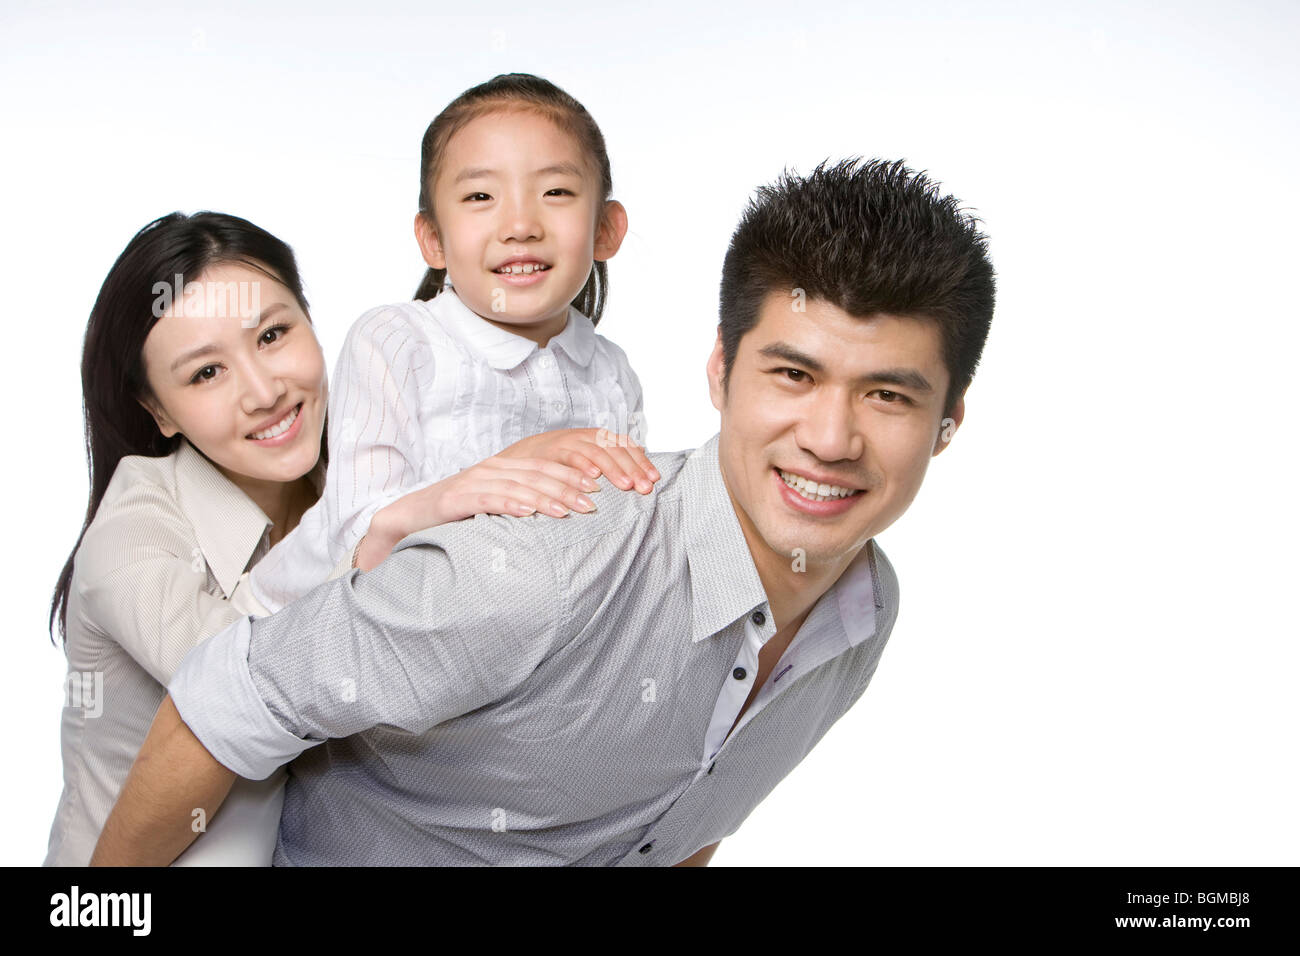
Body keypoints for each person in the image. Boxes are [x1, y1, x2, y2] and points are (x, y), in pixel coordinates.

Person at [92, 156, 996, 867]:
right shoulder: (541, 564)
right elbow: (232, 691)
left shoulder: (863, 618)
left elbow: (679, 826)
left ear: (947, 424)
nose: (831, 438)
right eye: (793, 376)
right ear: (720, 372)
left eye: (888, 395)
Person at [245, 72, 656, 613]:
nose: (520, 224)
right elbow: (360, 538)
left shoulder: (612, 374)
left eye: (555, 191)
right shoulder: (396, 342)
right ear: (433, 239)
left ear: (606, 228)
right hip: (305, 630)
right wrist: (472, 487)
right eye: (480, 195)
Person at [43, 211, 332, 866]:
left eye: (273, 334)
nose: (264, 392)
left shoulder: (355, 488)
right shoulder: (132, 537)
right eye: (207, 374)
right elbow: (254, 687)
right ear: (158, 411)